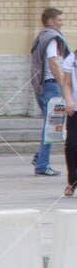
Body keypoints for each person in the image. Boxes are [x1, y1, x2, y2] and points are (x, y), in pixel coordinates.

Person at [31, 6, 68, 177]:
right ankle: (42, 165)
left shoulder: (42, 37)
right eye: (59, 20)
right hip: (52, 86)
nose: (61, 23)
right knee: (52, 127)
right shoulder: (52, 38)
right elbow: (53, 62)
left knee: (52, 126)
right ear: (51, 21)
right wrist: (63, 84)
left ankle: (40, 158)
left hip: (44, 87)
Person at [58, 41, 77, 198]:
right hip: (74, 110)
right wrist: (69, 100)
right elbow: (66, 83)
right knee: (71, 145)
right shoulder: (72, 59)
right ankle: (72, 181)